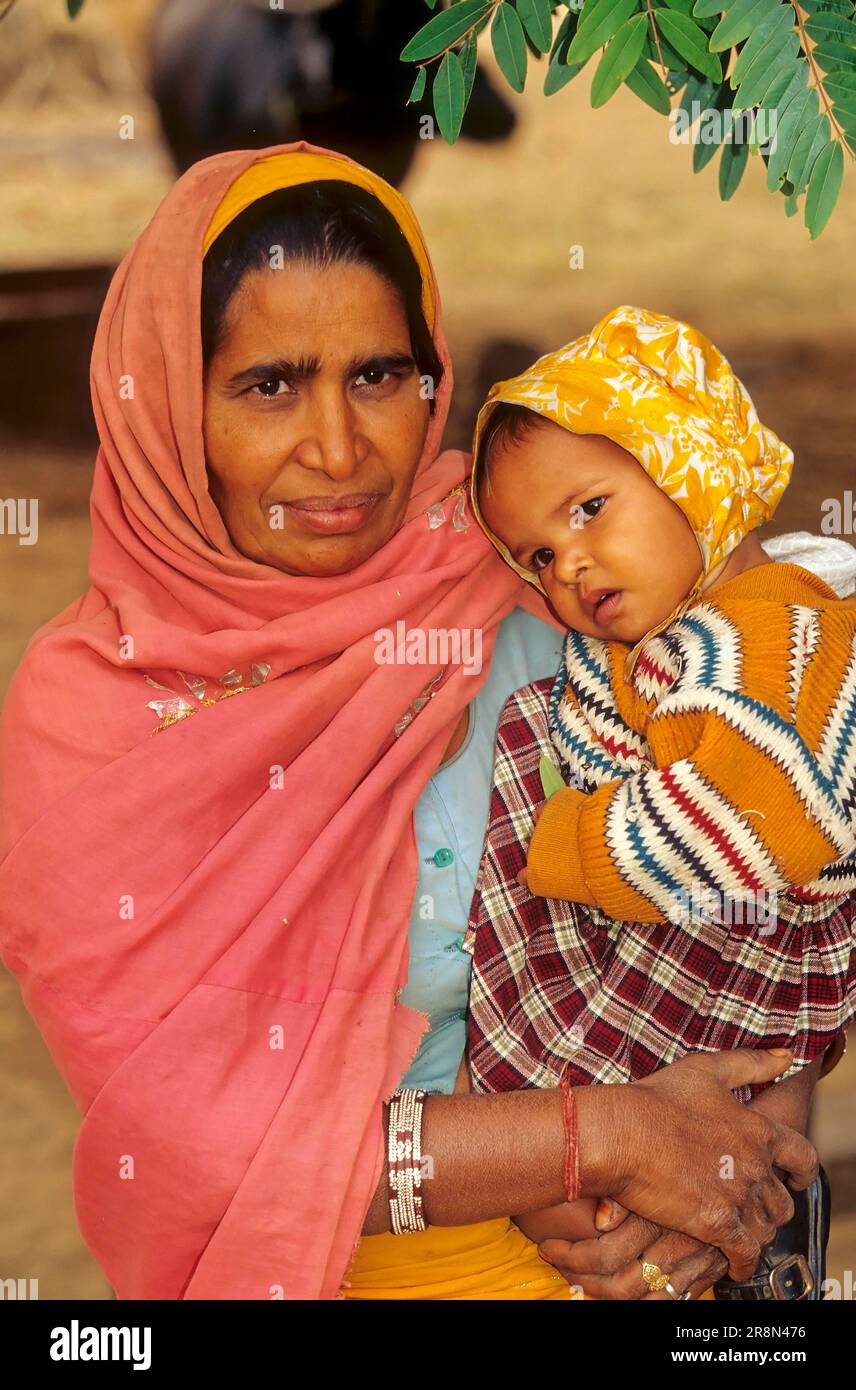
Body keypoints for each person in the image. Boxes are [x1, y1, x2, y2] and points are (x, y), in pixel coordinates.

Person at [0, 153, 817, 1302]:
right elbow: (200, 1146)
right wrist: (599, 1138)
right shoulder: (92, 721)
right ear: (170, 405)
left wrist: (739, 1147)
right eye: (270, 386)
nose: (340, 451)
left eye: (379, 374)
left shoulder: (530, 577)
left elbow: (782, 876)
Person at [459, 304, 855, 1292]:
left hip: (727, 957)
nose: (567, 565)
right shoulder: (694, 626)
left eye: (589, 509)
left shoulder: (767, 641)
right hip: (704, 966)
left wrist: (566, 839)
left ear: (693, 471)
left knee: (584, 1186)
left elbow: (743, 826)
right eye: (536, 556)